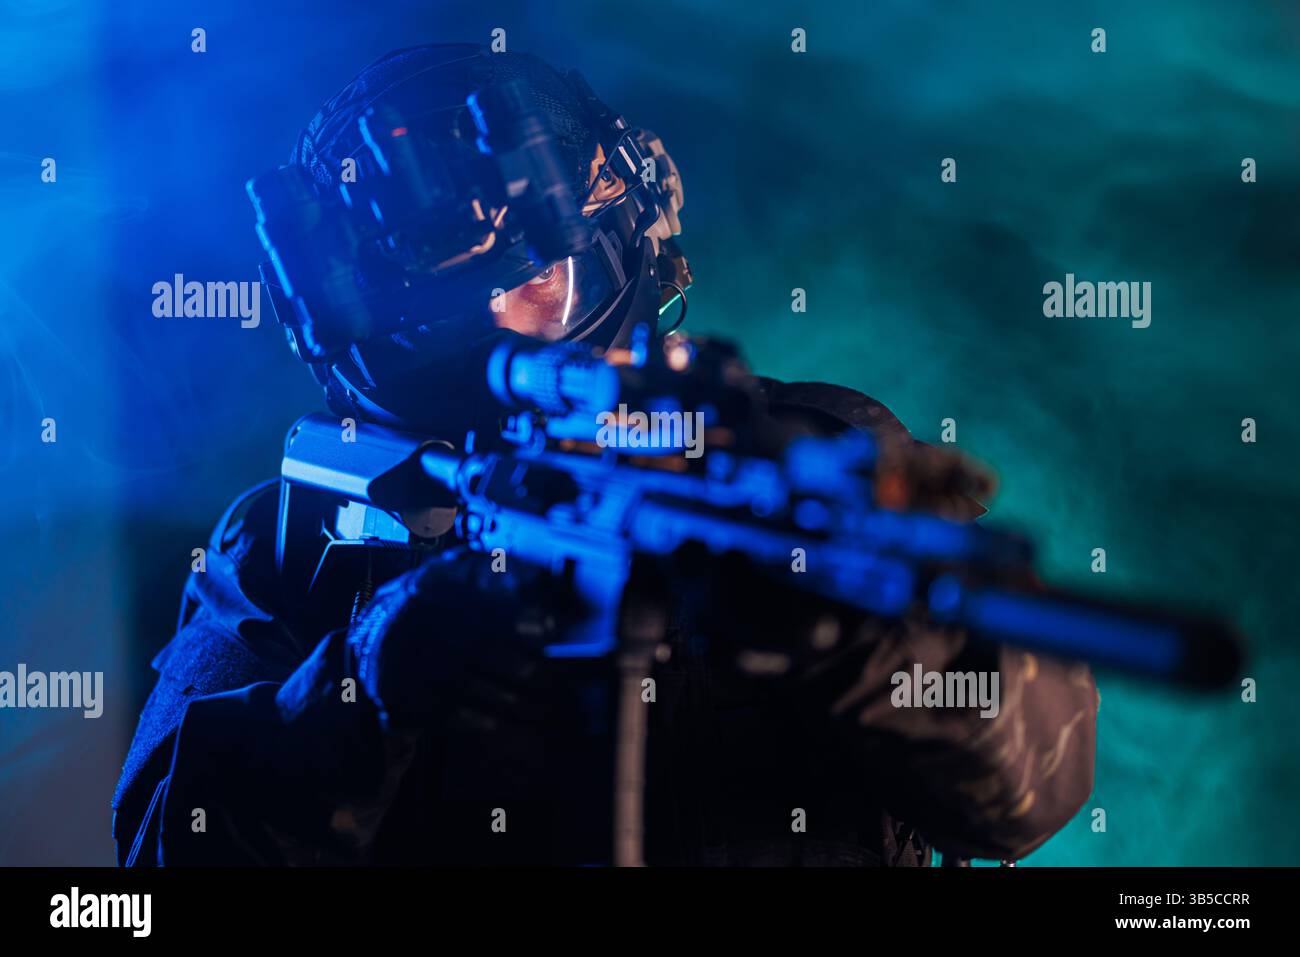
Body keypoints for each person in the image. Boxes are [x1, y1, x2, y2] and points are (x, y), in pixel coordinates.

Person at [112, 43, 1097, 866]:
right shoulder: (294, 541)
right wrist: (362, 691)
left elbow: (1037, 782)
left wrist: (870, 648)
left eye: (533, 270)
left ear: (618, 230)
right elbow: (154, 864)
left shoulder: (803, 451)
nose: (502, 319)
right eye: (444, 310)